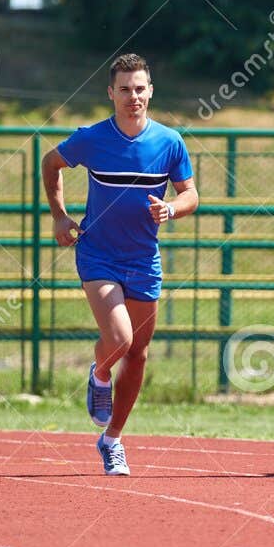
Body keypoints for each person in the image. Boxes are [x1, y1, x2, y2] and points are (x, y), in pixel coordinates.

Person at [41, 53, 198, 475]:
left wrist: (172, 209)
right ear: (111, 94)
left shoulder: (169, 142)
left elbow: (191, 195)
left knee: (140, 354)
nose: (134, 97)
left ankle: (112, 440)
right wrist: (59, 215)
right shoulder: (92, 138)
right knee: (121, 339)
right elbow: (51, 162)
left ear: (151, 91)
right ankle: (101, 371)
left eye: (140, 88)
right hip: (98, 254)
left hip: (143, 259)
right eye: (125, 89)